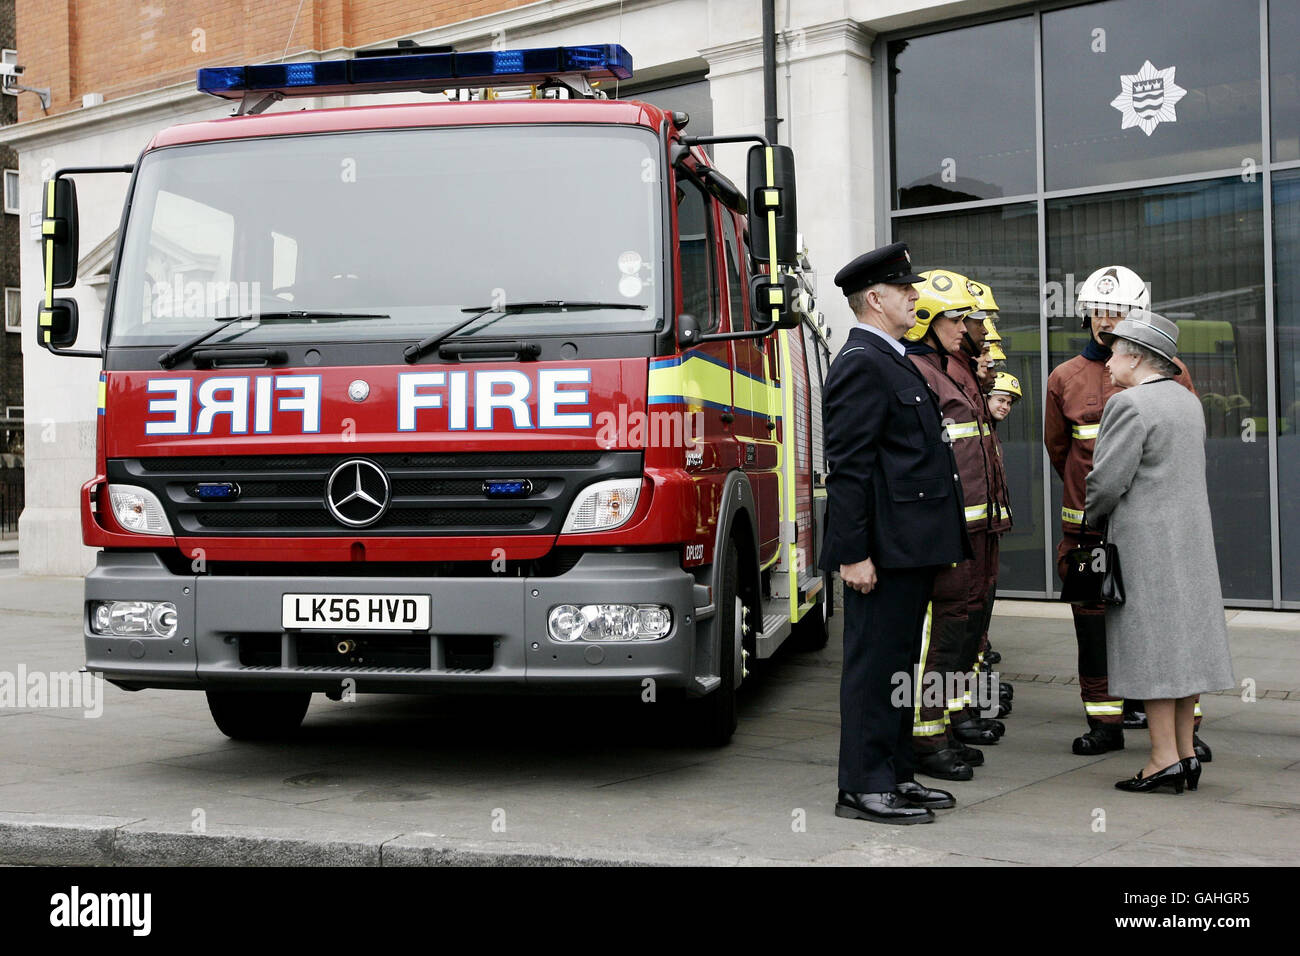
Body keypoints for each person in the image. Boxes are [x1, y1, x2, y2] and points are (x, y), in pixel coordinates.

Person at [823, 242, 969, 824]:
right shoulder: (862, 360)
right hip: (880, 552)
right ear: (875, 298)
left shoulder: (893, 356)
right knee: (874, 668)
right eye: (905, 289)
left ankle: (894, 774)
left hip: (907, 548)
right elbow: (850, 466)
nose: (916, 296)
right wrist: (852, 553)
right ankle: (861, 787)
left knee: (899, 667)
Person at [1044, 265, 1210, 758]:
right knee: (1093, 626)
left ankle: (1184, 732)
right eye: (1098, 311)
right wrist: (1088, 504)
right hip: (1089, 534)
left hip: (1154, 529)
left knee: (1168, 621)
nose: (1106, 321)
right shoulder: (1065, 378)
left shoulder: (1172, 375)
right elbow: (1060, 452)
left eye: (1117, 312)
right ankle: (1104, 723)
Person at [1085, 310, 1234, 793]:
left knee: (1150, 649)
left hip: (1145, 544)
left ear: (1135, 357)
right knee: (1183, 648)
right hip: (1190, 541)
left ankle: (1160, 758)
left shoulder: (1129, 405)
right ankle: (1186, 755)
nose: (1107, 362)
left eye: (1113, 352)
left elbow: (1107, 481)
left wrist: (1090, 519)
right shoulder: (1187, 402)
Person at [901, 269, 1003, 781]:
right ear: (926, 320)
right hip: (950, 531)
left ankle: (944, 722)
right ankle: (927, 735)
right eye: (956, 317)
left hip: (979, 527)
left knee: (965, 628)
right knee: (939, 635)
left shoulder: (953, 368)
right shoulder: (919, 371)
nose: (966, 326)